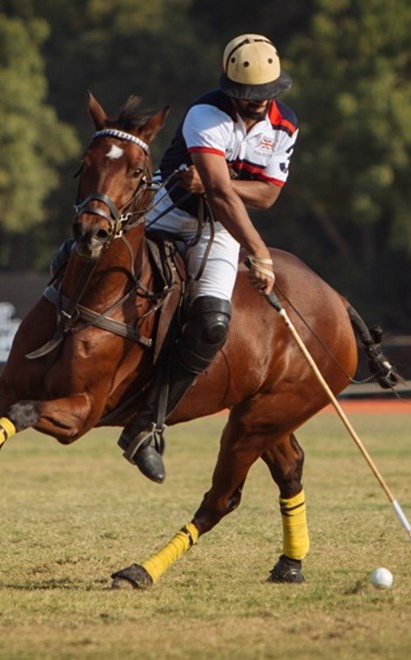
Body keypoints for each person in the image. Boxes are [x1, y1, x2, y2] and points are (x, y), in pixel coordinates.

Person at [116, 34, 298, 483]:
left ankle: (146, 424)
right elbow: (217, 191)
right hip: (167, 213)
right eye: (245, 96)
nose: (254, 104)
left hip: (218, 231)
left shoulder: (285, 127)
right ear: (230, 88)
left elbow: (268, 195)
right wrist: (258, 251)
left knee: (214, 322)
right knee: (104, 263)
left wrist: (219, 186)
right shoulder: (207, 113)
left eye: (263, 97)